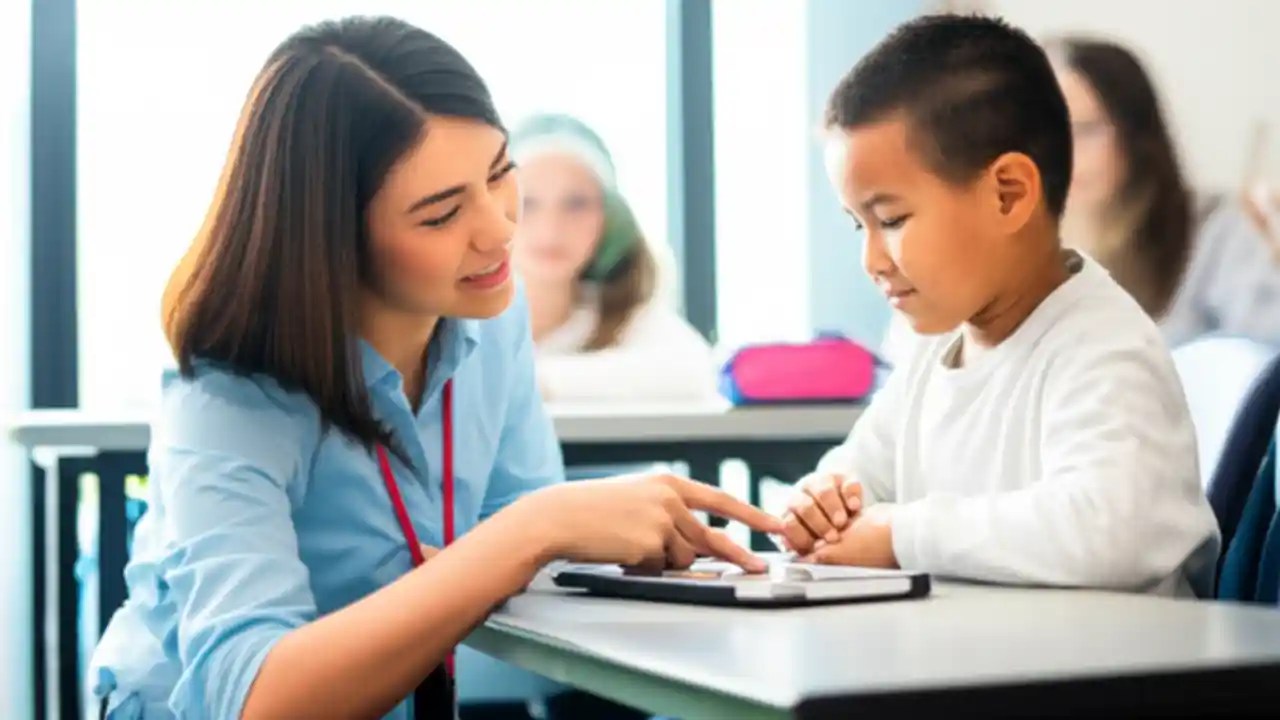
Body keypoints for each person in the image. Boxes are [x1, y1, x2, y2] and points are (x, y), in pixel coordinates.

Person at [88, 17, 779, 720]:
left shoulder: (488, 315)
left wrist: (622, 549)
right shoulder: (232, 390)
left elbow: (522, 544)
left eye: (499, 172)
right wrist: (533, 530)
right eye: (443, 213)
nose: (502, 229)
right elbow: (260, 699)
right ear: (333, 242)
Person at [779, 15, 1219, 597]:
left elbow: (1110, 528)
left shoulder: (1102, 345)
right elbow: (857, 473)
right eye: (857, 225)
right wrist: (820, 501)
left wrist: (900, 535)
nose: (871, 260)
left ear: (1008, 195)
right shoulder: (934, 353)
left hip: (1110, 682)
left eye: (890, 220)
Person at [1049, 37, 1280, 347]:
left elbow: (1265, 352)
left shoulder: (1215, 233)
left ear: (1136, 135)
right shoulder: (1014, 252)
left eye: (1085, 130)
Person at [508, 114, 717, 403]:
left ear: (608, 217)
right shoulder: (453, 318)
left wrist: (532, 384)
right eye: (526, 203)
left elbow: (693, 372)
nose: (550, 228)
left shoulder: (626, 316)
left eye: (576, 204)